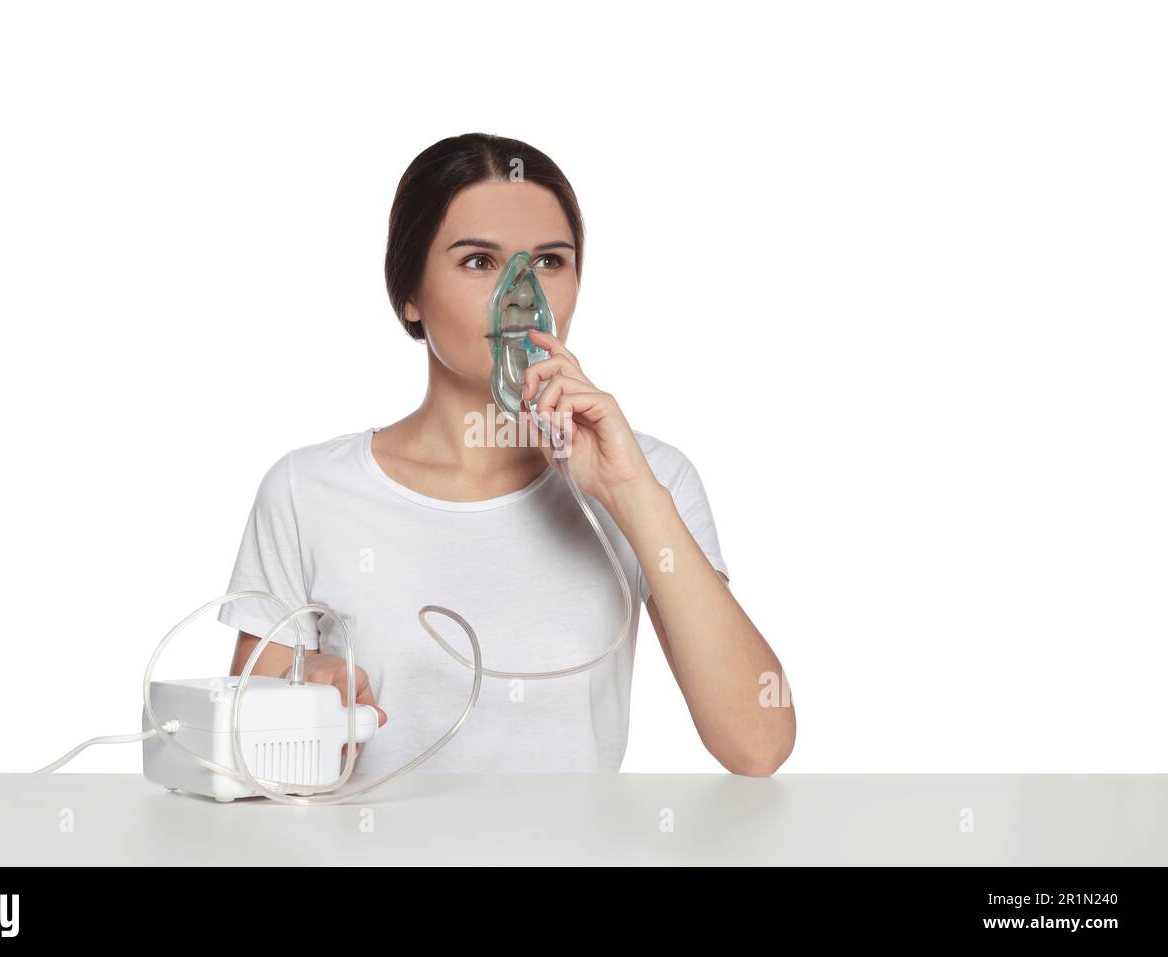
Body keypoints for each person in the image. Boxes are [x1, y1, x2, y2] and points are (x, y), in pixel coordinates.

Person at [218, 133, 795, 777]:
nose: (521, 297)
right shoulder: (307, 491)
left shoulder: (650, 477)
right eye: (478, 262)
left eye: (549, 261)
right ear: (409, 293)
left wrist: (629, 491)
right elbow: (243, 752)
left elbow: (757, 744)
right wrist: (312, 685)